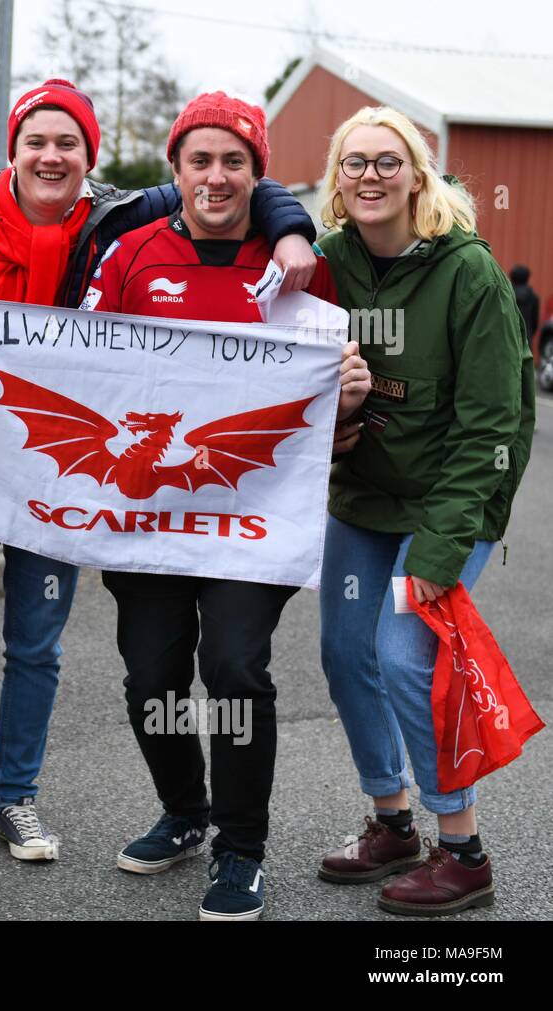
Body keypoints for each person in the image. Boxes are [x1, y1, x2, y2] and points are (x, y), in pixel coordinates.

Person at [0, 78, 321, 886]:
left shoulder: (113, 218)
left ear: (89, 158)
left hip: (67, 487)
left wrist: (291, 225)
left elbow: (219, 172)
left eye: (68, 142)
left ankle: (16, 797)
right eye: (36, 140)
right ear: (13, 150)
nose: (51, 155)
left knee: (35, 648)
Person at [80, 93, 370, 921]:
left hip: (253, 515)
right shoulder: (131, 255)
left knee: (235, 669)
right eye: (200, 160)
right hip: (150, 519)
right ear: (175, 171)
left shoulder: (300, 266)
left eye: (233, 161)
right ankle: (184, 811)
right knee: (151, 676)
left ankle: (241, 848)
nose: (216, 176)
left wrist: (349, 401)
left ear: (256, 173)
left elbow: (333, 411)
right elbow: (81, 364)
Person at [315, 106, 534, 916]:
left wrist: (439, 556)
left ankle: (464, 849)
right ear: (337, 178)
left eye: (387, 161)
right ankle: (390, 820)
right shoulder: (327, 261)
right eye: (354, 162)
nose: (370, 176)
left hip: (451, 498)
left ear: (417, 175)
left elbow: (492, 426)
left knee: (405, 652)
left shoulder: (468, 272)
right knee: (345, 652)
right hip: (366, 497)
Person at [508, 264, 540, 345]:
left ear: (512, 278)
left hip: (507, 337)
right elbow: (535, 322)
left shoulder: (506, 295)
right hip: (526, 338)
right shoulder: (534, 297)